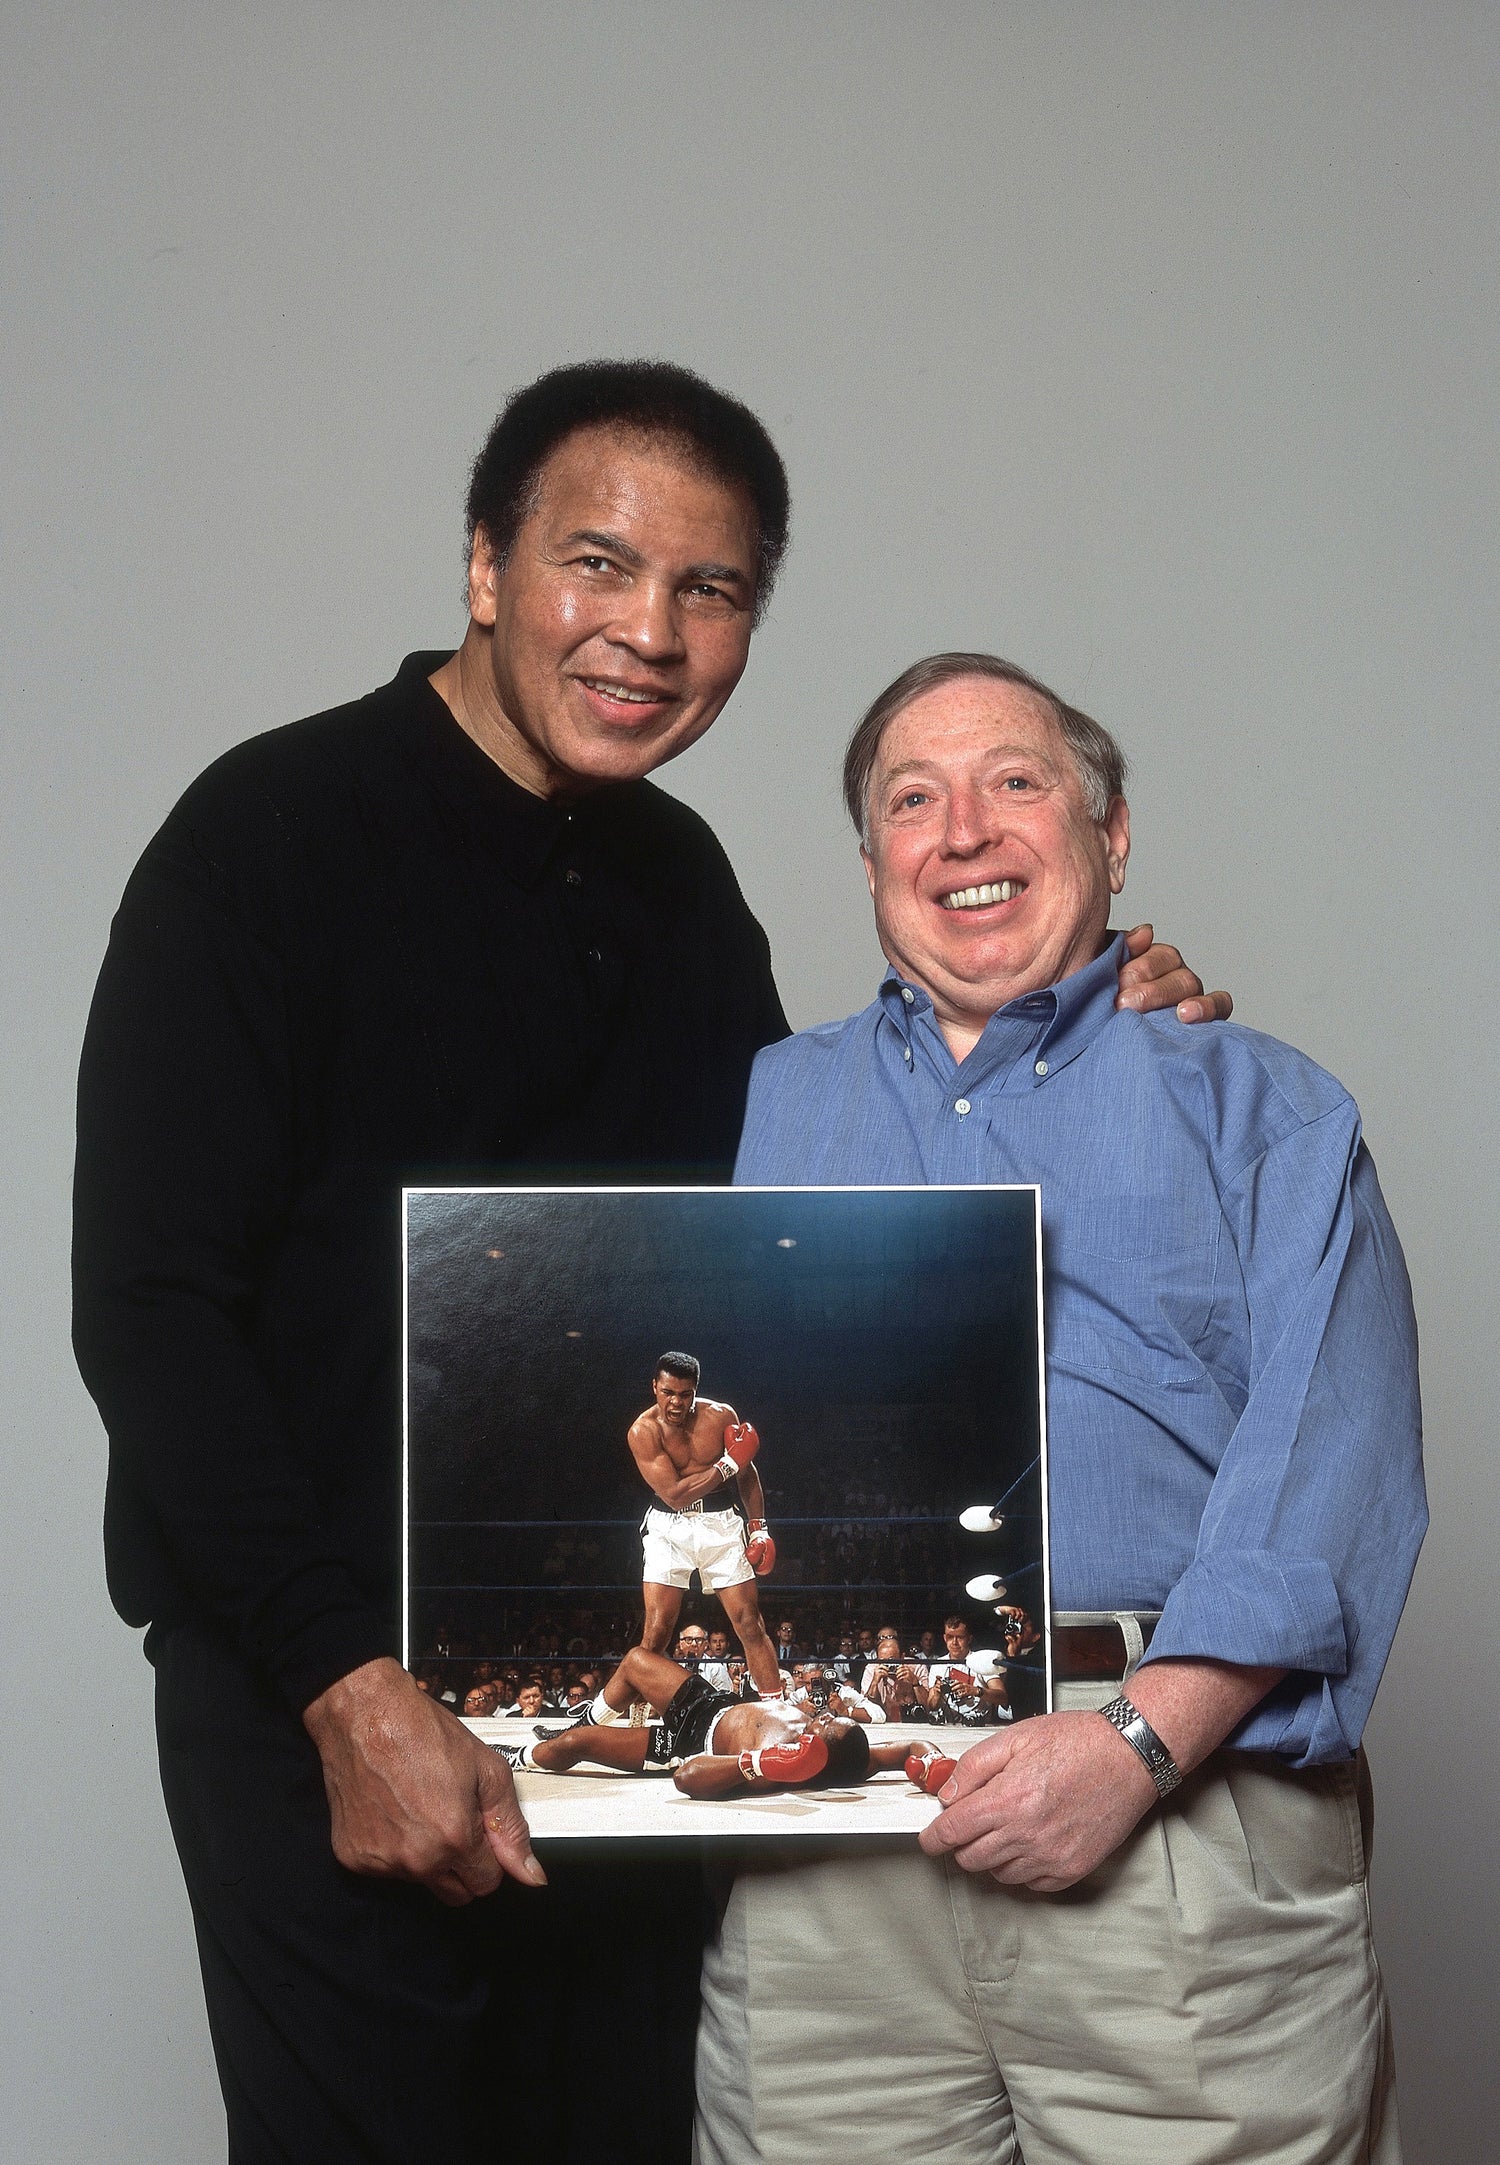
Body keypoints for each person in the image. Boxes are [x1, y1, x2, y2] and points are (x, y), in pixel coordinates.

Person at [72, 346, 1222, 2165]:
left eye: (711, 590)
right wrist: (339, 1688)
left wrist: (1070, 999)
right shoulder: (263, 841)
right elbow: (146, 1310)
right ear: (485, 567)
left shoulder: (686, 886)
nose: (650, 634)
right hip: (323, 1704)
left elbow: (824, 1205)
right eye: (597, 564)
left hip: (627, 1696)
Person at [705, 651, 1426, 2165]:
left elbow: (1330, 1470)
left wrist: (1133, 1752)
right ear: (870, 862)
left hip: (1173, 1841)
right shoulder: (759, 1104)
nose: (962, 830)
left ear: (1109, 838)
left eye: (1014, 782)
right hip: (826, 1860)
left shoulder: (1264, 1106)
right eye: (915, 798)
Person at [497, 1645, 904, 1791]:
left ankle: (519, 1757)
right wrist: (934, 1764)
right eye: (831, 1717)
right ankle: (584, 1715)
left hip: (686, 1745)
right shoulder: (857, 1754)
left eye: (826, 1725)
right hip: (711, 1703)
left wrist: (757, 1762)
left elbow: (688, 1776)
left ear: (823, 1750)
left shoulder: (782, 1767)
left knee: (576, 1744)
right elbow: (909, 1750)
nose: (823, 1715)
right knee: (637, 1660)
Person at [628, 1353, 783, 1695]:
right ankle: (624, 1718)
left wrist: (759, 1527)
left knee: (749, 1622)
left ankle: (777, 1711)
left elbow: (747, 1473)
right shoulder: (643, 1431)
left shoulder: (721, 1416)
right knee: (656, 1631)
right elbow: (675, 1495)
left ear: (695, 1391)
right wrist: (727, 1464)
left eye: (685, 1394)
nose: (676, 1402)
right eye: (668, 1392)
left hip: (720, 1523)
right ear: (655, 1387)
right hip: (669, 1529)